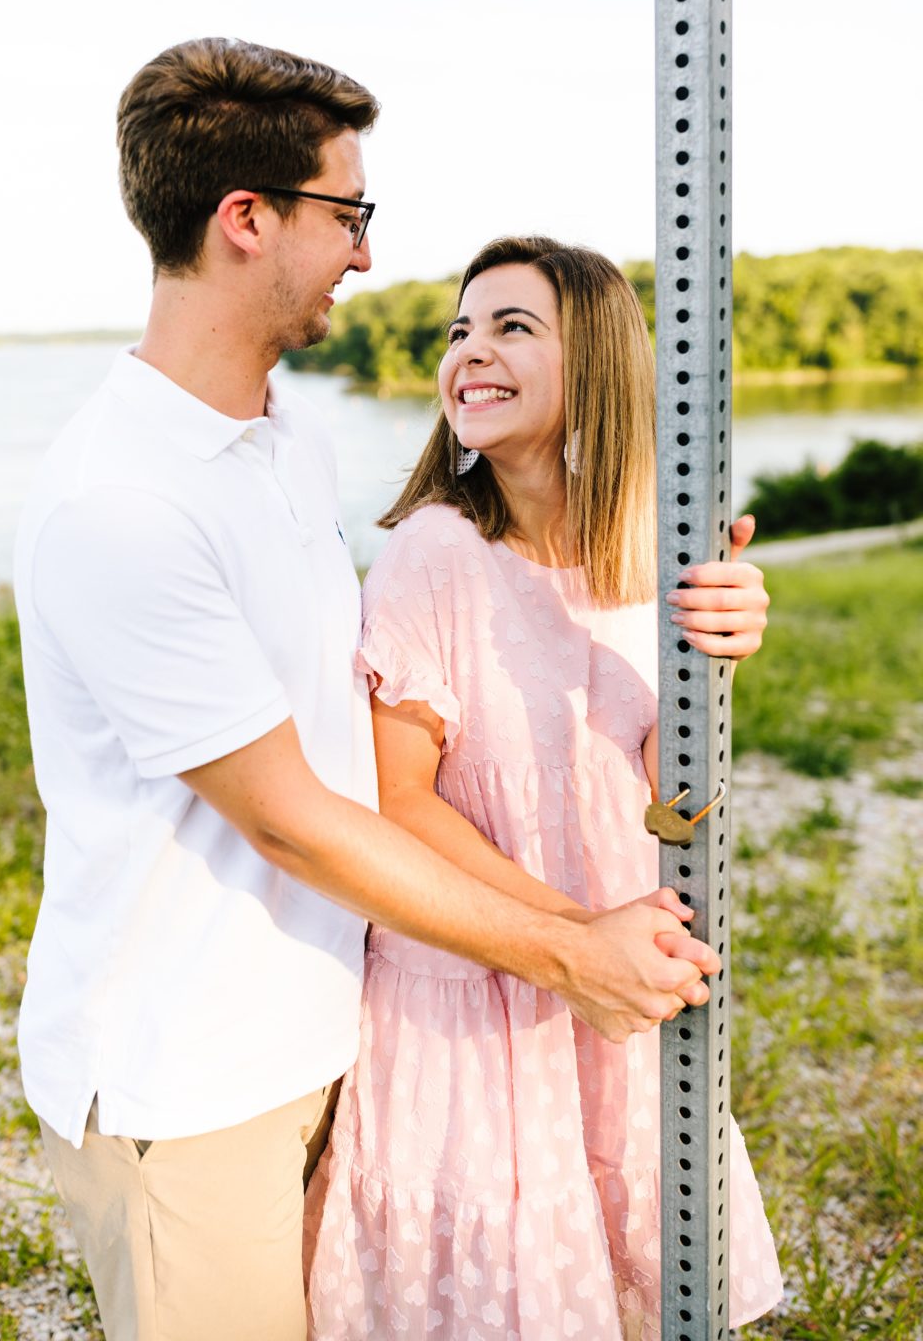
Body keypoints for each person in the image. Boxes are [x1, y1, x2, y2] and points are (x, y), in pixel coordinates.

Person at [13, 40, 728, 1341]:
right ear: (247, 219)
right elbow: (293, 817)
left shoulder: (285, 441)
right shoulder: (120, 503)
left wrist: (706, 637)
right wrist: (575, 948)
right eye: (348, 214)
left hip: (327, 1037)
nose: (365, 253)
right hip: (191, 1084)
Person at [305, 236, 784, 1340]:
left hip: (613, 968)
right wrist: (576, 939)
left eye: (512, 327)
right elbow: (398, 802)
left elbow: (663, 798)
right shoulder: (434, 552)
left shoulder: (652, 549)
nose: (469, 352)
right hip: (481, 980)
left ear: (596, 362)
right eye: (460, 330)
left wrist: (719, 663)